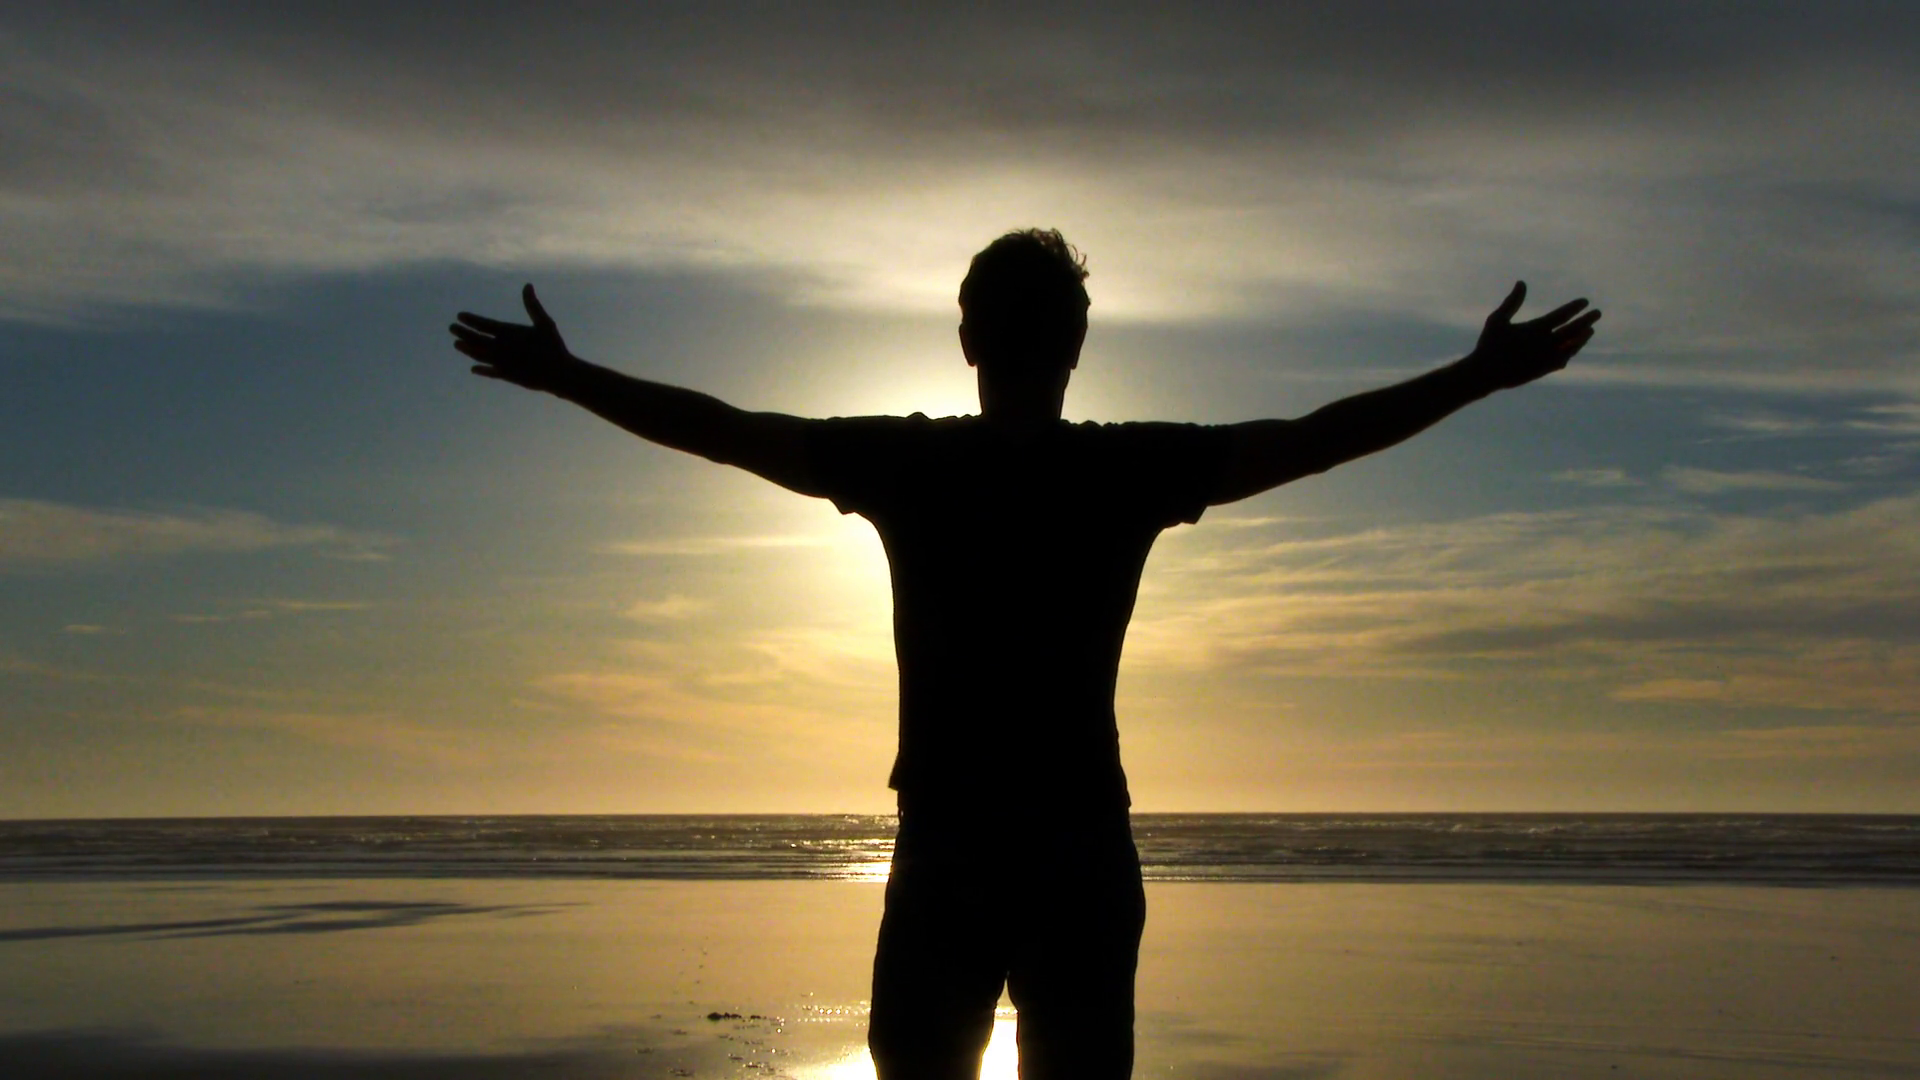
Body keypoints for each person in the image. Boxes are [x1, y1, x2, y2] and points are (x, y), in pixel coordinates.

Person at [448, 229, 1599, 1079]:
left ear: (967, 340)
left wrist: (572, 377)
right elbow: (1312, 443)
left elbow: (733, 433)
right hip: (1075, 846)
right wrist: (1471, 378)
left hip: (960, 844)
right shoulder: (1121, 470)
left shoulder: (918, 467)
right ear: (1077, 347)